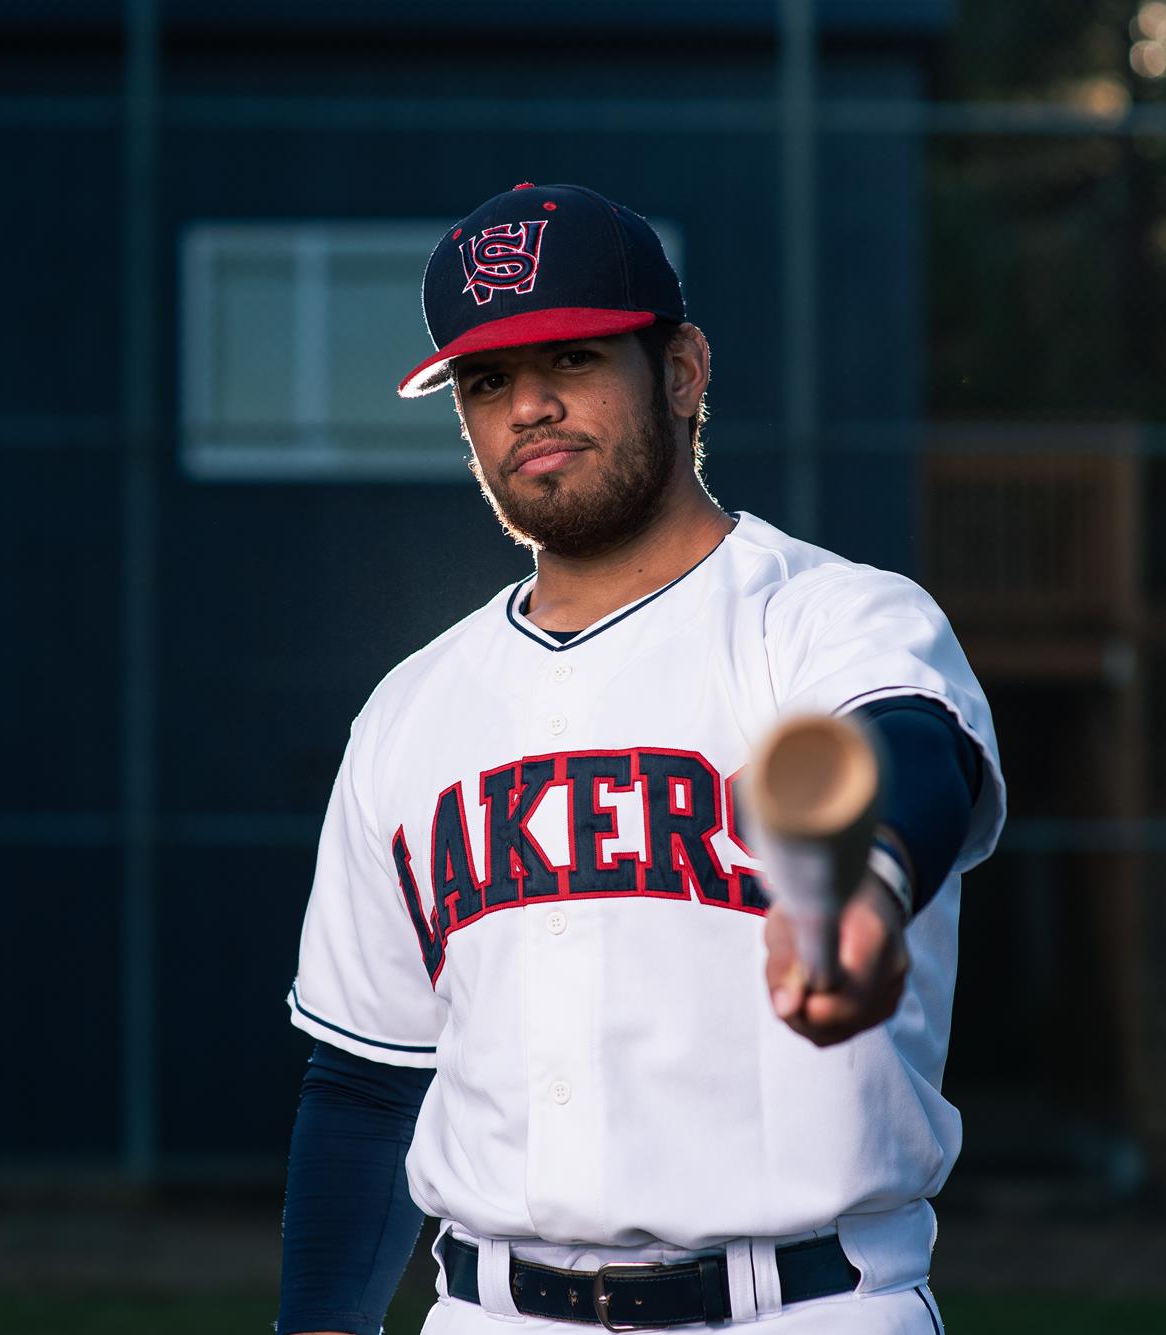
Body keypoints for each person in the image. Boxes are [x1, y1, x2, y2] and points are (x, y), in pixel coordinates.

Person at [277, 183, 1004, 1334]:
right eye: (486, 381)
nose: (528, 406)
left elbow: (909, 751)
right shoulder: (410, 710)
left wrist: (862, 886)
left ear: (681, 370)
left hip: (804, 1307)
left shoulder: (827, 618)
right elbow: (368, 1086)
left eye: (570, 358)